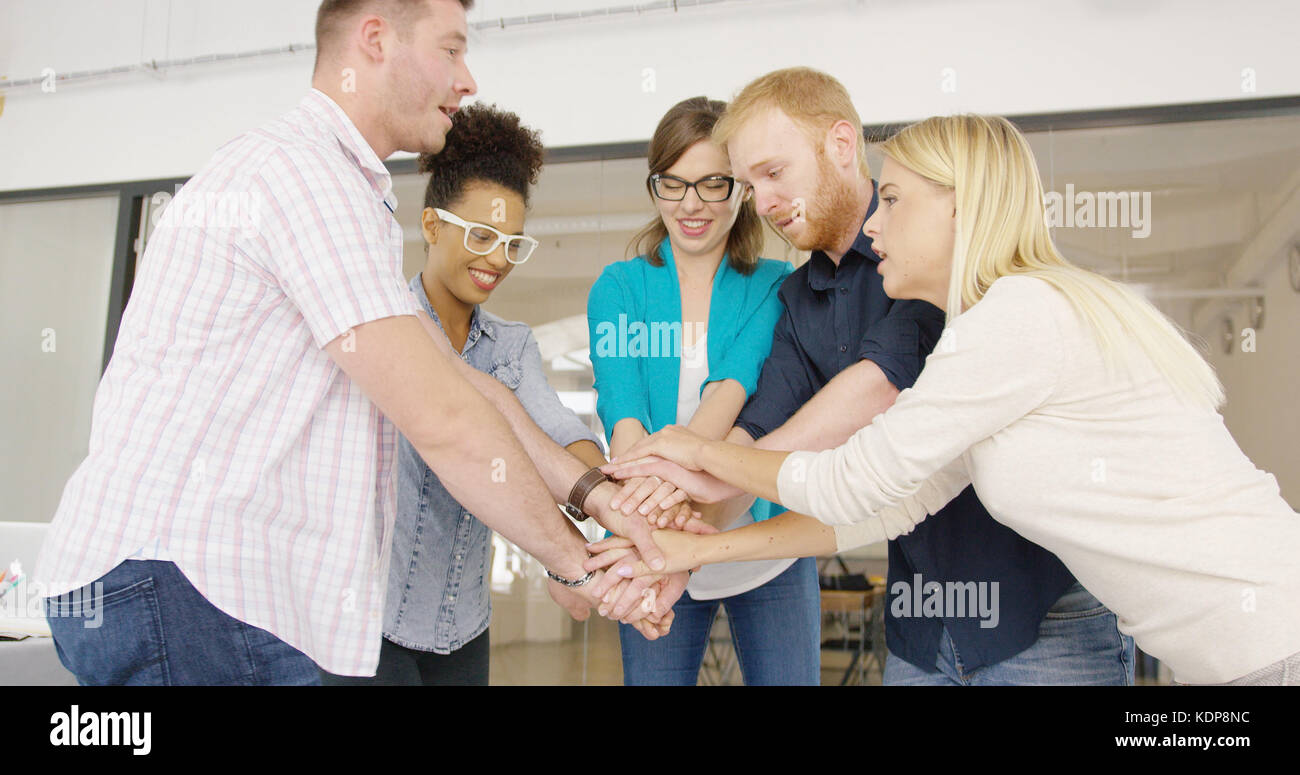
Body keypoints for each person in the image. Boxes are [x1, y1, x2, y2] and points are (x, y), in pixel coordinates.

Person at [37, 0, 687, 686]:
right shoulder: (304, 176)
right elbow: (444, 419)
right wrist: (580, 561)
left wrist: (597, 499)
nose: (467, 79)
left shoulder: (343, 194)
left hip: (202, 594)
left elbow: (468, 386)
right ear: (375, 39)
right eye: (451, 49)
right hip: (187, 582)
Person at [592, 113, 1300, 686]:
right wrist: (686, 547)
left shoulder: (1018, 317)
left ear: (962, 206)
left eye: (893, 201)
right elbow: (892, 501)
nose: (874, 223)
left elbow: (852, 478)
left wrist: (695, 451)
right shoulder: (982, 334)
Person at [319, 104, 610, 685]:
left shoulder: (510, 345)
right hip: (368, 624)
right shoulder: (381, 326)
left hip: (463, 628)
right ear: (432, 226)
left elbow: (559, 432)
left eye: (513, 243)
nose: (497, 259)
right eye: (481, 235)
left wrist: (605, 500)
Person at [587, 96, 817, 685]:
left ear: (741, 190)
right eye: (673, 183)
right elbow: (625, 418)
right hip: (653, 540)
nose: (691, 205)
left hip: (762, 542)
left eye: (713, 184)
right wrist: (658, 515)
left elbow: (729, 397)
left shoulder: (776, 285)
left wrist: (661, 492)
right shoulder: (619, 287)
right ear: (655, 187)